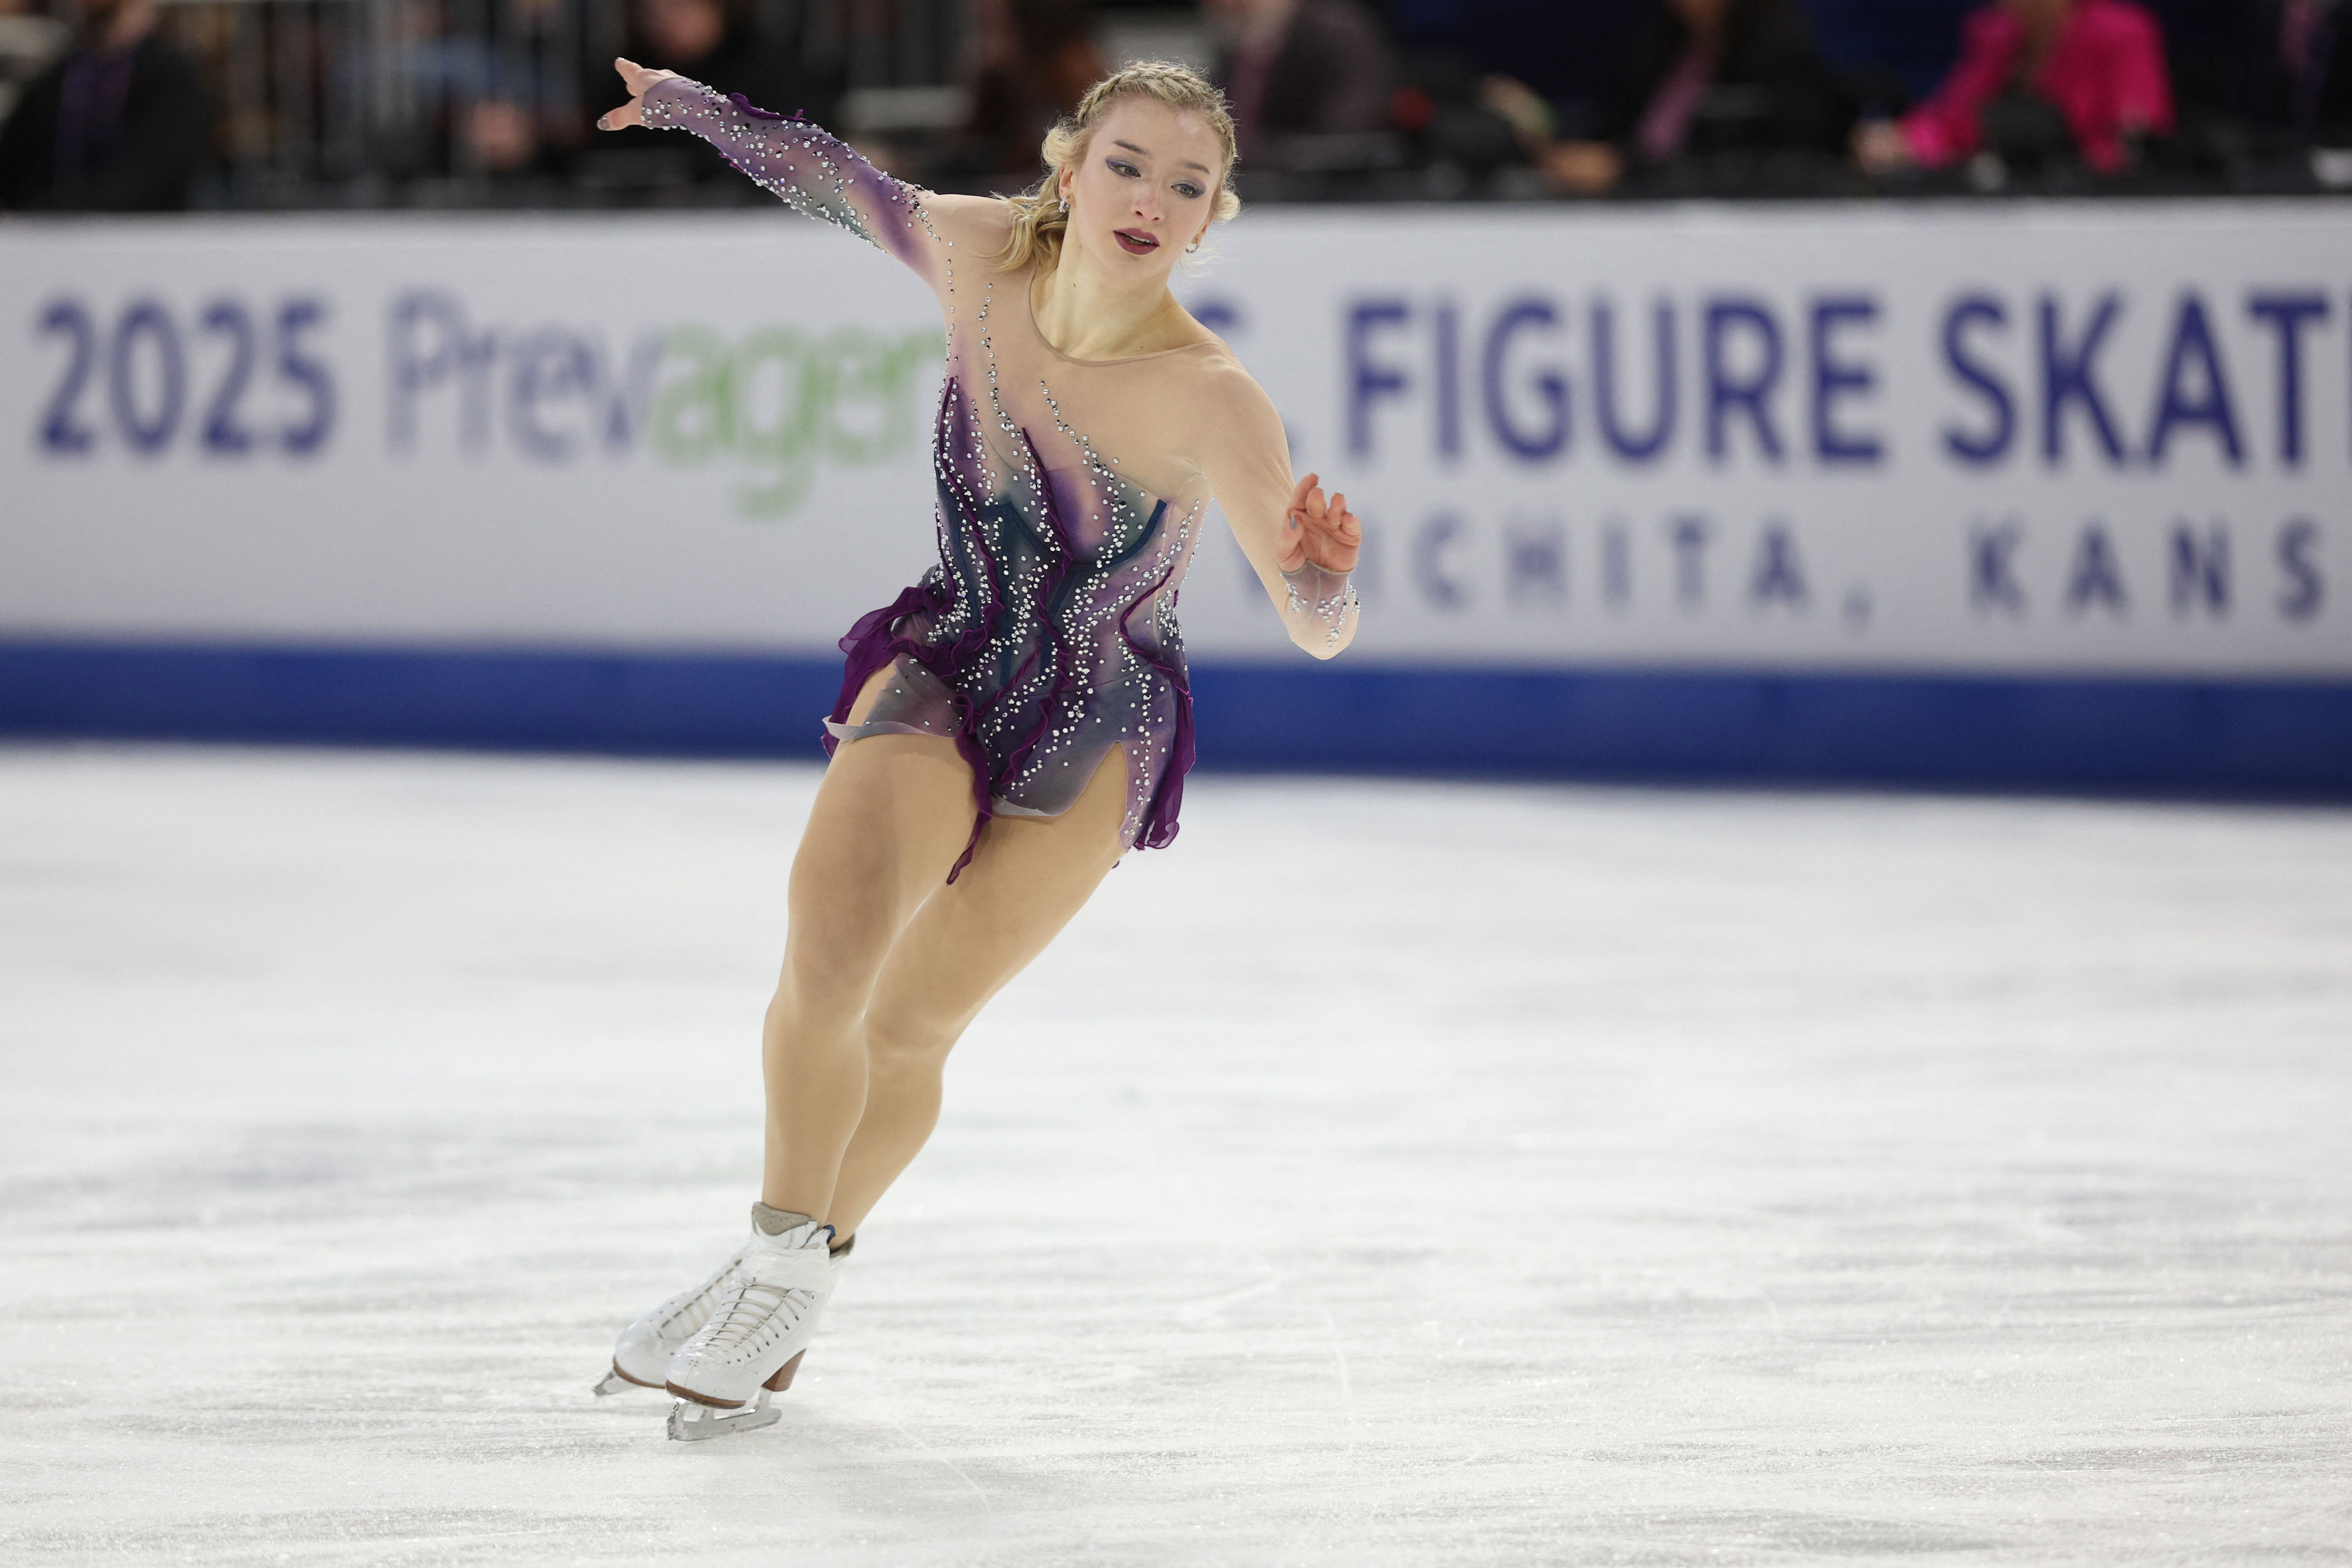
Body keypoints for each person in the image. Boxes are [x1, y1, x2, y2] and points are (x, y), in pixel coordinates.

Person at [585, 55, 1363, 1440]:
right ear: (1071, 166)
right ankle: (775, 1257)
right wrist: (695, 109)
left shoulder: (1213, 396)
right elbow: (838, 182)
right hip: (951, 658)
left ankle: (789, 1277)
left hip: (1098, 719)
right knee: (827, 955)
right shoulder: (978, 254)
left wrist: (1323, 579)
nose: (1150, 198)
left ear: (1211, 217)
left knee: (910, 1021)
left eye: (1188, 184)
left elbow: (1315, 623)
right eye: (1127, 163)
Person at [1494, 0, 1850, 197]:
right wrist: (1543, 125)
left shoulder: (1779, 56)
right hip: (1641, 217)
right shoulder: (1664, 51)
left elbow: (1785, 158)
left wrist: (1626, 170)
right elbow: (1618, 133)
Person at [1854, 0, 2175, 176]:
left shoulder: (2120, 32)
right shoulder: (1995, 34)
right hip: (2001, 204)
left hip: (2090, 205)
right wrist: (1904, 140)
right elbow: (1955, 120)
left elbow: (2141, 142)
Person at [0, 0, 207, 211]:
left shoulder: (171, 80)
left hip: (142, 236)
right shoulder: (59, 79)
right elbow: (16, 167)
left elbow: (155, 174)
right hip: (46, 237)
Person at [1204, 0, 1397, 167]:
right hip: (1252, 194)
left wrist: (1258, 155)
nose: (1229, 5)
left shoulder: (1338, 39)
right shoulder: (1233, 51)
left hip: (1330, 198)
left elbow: (1347, 138)